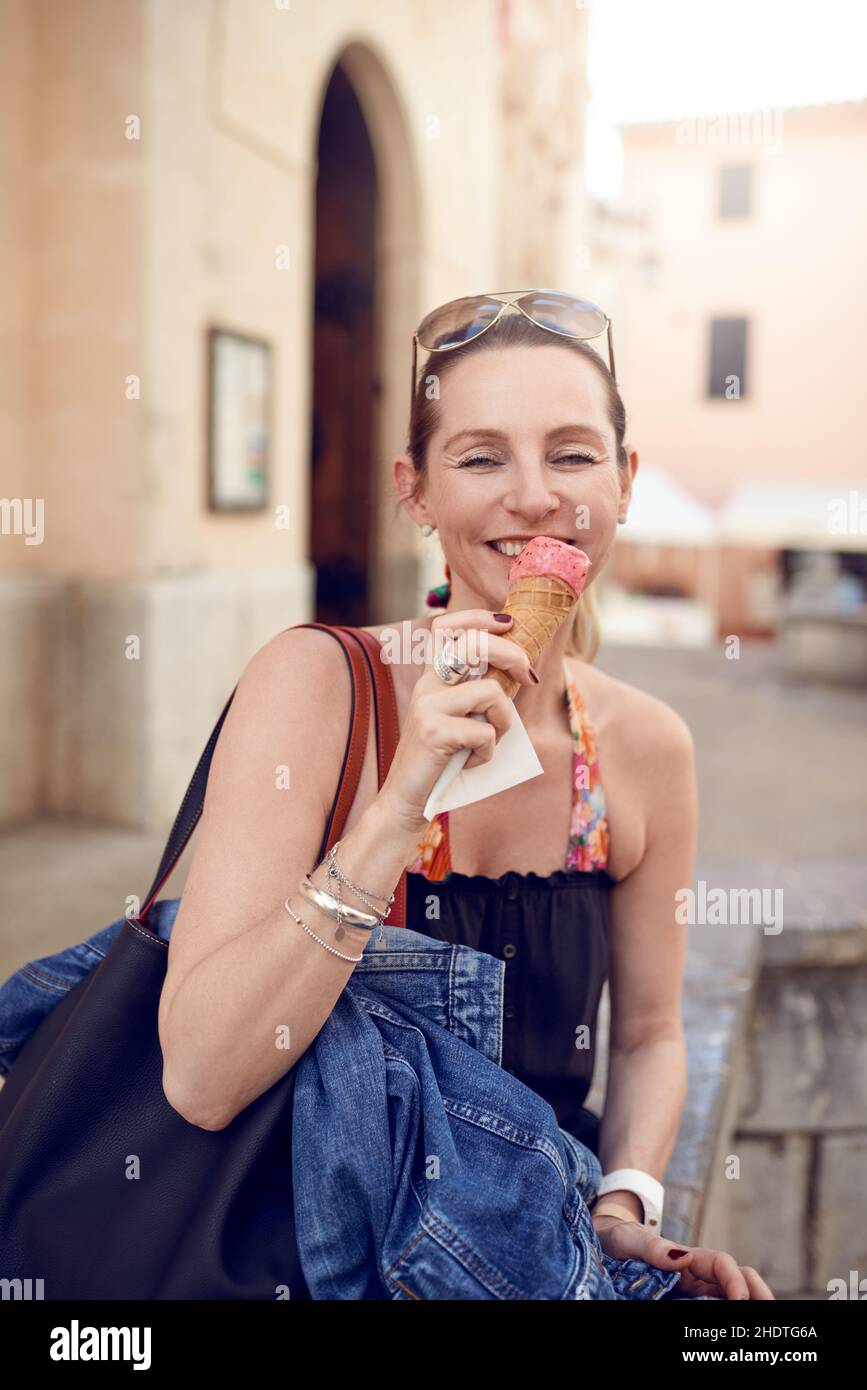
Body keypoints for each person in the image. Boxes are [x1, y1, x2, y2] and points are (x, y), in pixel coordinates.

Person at [157, 290, 774, 1300]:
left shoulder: (648, 747)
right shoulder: (317, 687)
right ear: (416, 491)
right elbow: (202, 1074)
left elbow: (652, 1031)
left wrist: (622, 1207)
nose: (533, 496)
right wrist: (399, 805)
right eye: (481, 456)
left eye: (573, 454)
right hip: (296, 1255)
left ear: (623, 482)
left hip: (528, 1252)